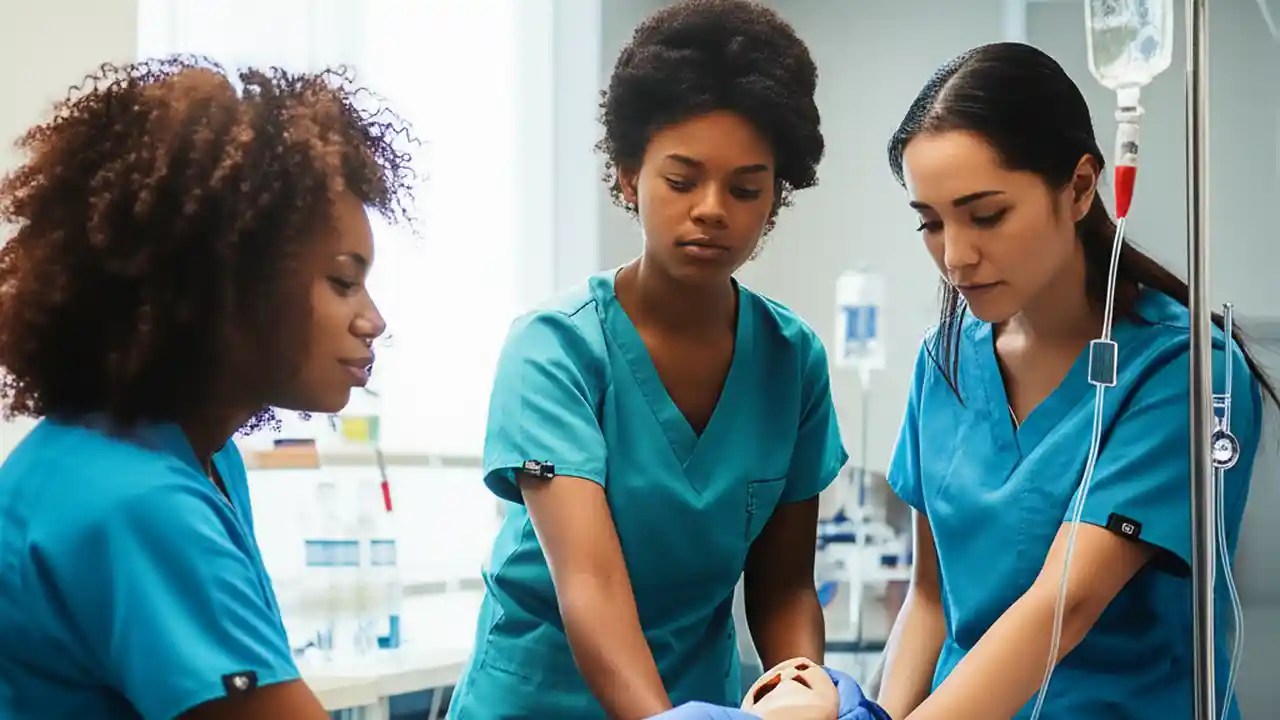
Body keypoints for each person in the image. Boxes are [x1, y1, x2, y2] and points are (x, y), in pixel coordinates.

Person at [447, 2, 882, 718]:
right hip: (541, 700)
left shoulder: (791, 359)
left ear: (776, 197)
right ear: (627, 176)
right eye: (682, 180)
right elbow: (589, 586)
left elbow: (783, 588)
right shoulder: (554, 351)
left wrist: (805, 689)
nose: (712, 209)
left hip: (695, 699)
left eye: (745, 189)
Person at [0, 57, 414, 720]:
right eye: (342, 281)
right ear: (230, 286)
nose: (373, 321)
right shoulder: (136, 502)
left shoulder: (185, 457)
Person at [877, 42, 1276, 720]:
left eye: (986, 214)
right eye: (931, 222)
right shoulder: (943, 361)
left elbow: (1065, 606)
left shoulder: (1183, 369)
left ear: (1082, 187)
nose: (955, 255)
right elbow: (930, 599)